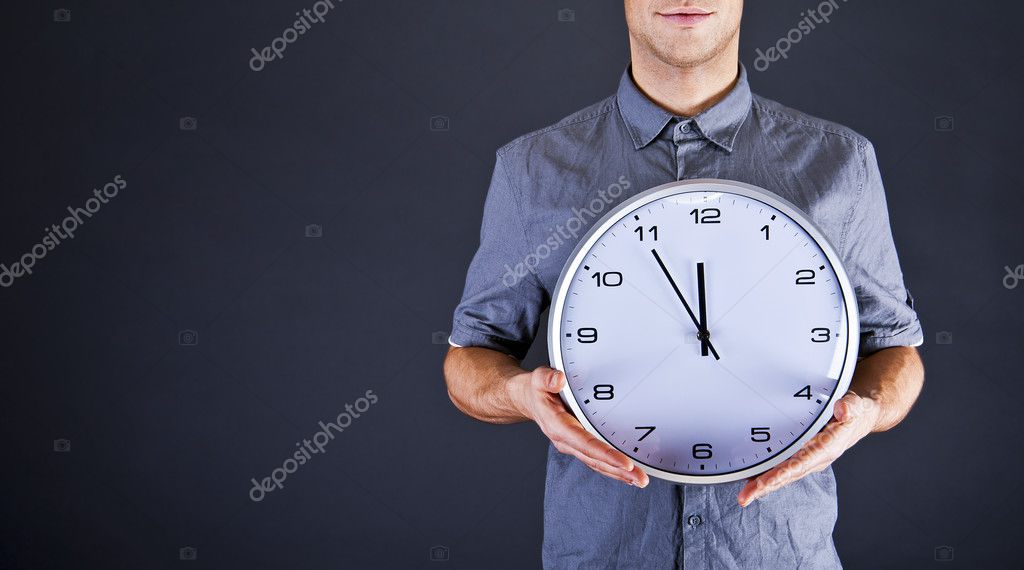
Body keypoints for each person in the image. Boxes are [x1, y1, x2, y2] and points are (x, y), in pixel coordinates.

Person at [443, 1, 925, 567]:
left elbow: (896, 348)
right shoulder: (535, 168)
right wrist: (520, 395)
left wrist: (867, 409)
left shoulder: (841, 163)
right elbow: (469, 356)